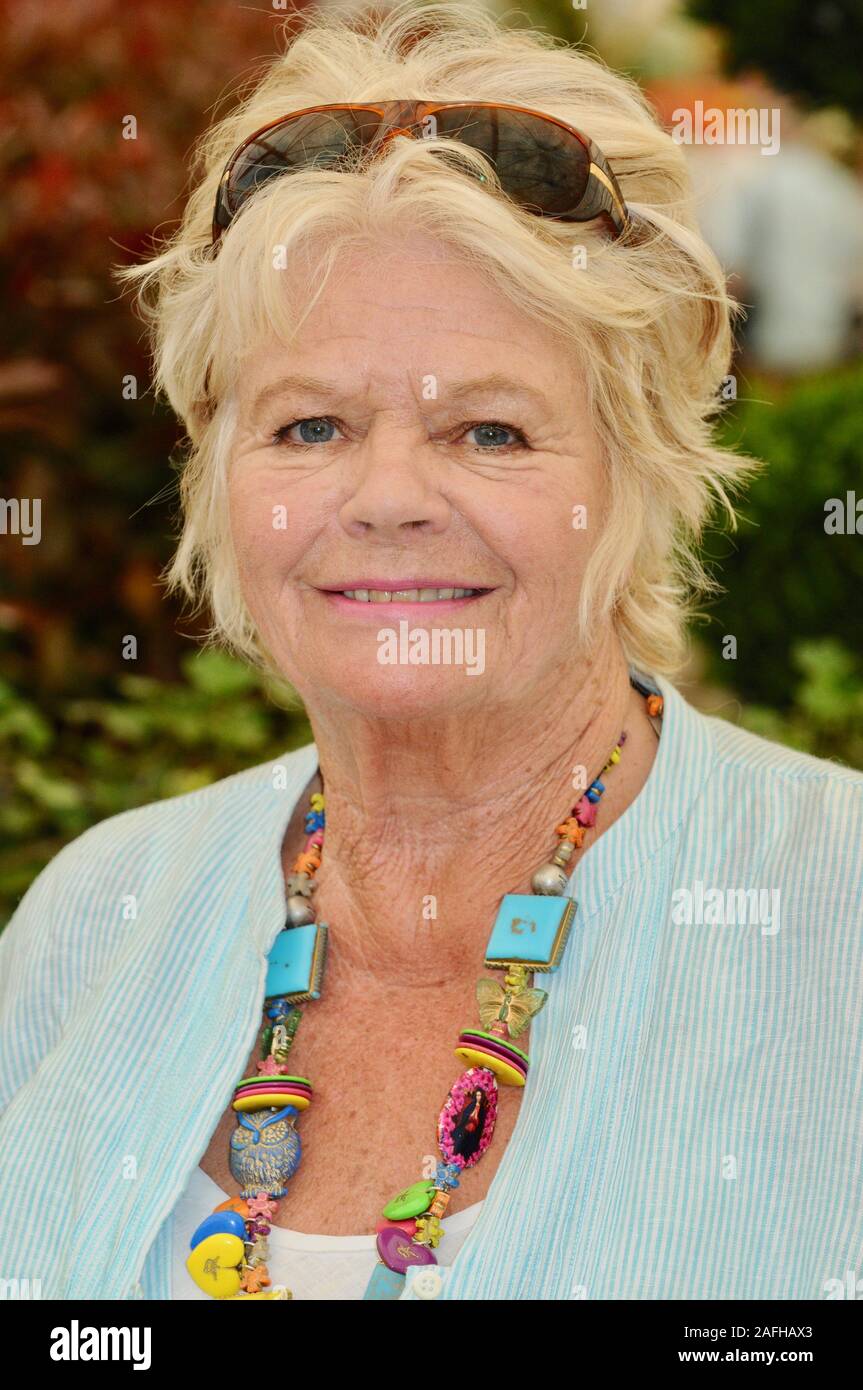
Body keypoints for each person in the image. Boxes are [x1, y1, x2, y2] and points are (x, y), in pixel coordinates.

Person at [1, 1, 860, 1302]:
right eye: (308, 427)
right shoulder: (95, 912)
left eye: (490, 432)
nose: (387, 497)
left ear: (639, 467)